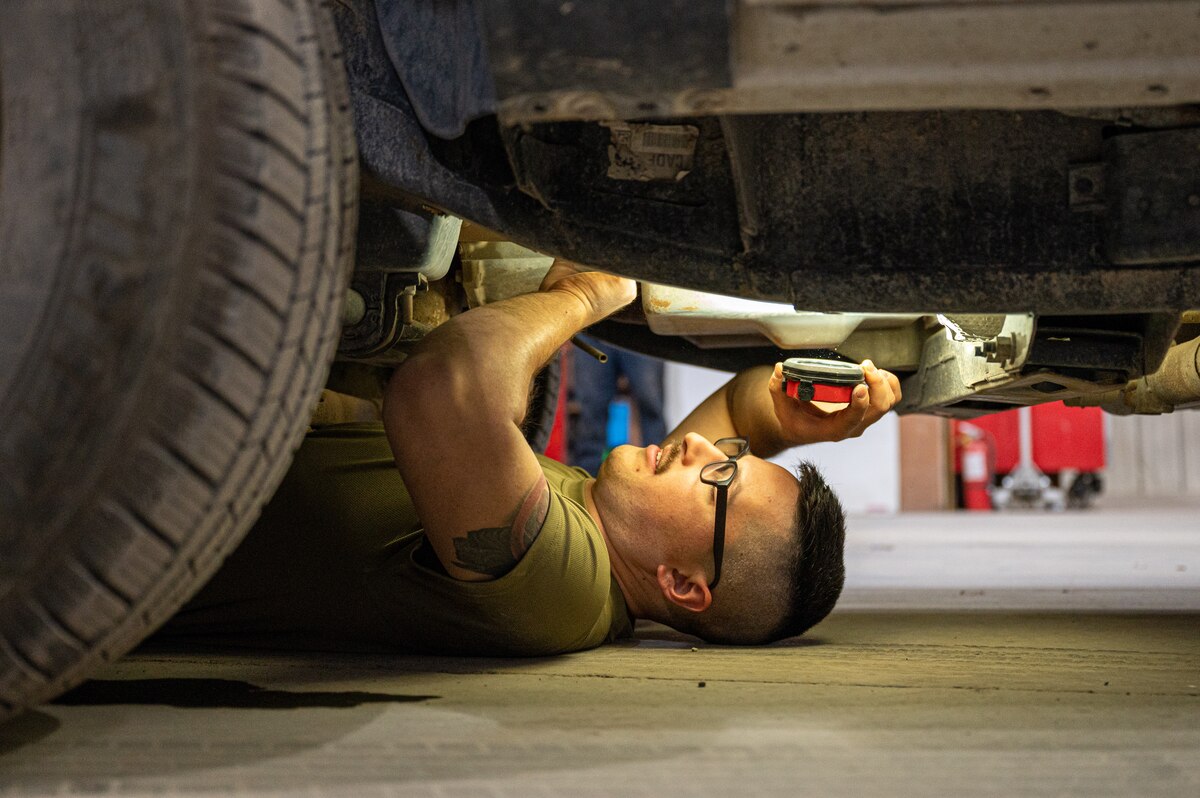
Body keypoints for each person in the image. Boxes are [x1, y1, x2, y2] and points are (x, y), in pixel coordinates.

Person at [160, 261, 901, 655]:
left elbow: (445, 393)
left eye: (720, 479)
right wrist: (806, 417)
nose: (701, 446)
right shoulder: (614, 529)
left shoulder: (563, 591)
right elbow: (744, 411)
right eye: (729, 455)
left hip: (107, 525)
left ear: (682, 584)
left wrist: (580, 297)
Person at [568, 334, 666, 476]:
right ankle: (584, 479)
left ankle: (660, 477)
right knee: (590, 408)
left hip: (642, 328)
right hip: (593, 326)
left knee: (650, 406)